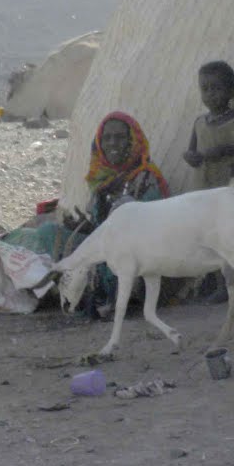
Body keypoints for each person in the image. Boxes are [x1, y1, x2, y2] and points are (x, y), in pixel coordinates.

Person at [70, 111, 170, 317]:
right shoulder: (100, 180)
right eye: (106, 138)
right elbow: (101, 226)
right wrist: (86, 227)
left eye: (119, 137)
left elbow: (154, 224)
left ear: (132, 141)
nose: (112, 143)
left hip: (139, 250)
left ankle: (125, 300)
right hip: (108, 248)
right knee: (54, 235)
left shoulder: (145, 177)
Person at [184, 60, 234, 190]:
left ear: (231, 92)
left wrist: (225, 150)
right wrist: (189, 156)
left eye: (216, 88)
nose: (210, 93)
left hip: (230, 187)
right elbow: (192, 151)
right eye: (205, 89)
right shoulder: (199, 123)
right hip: (203, 187)